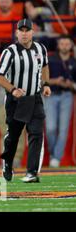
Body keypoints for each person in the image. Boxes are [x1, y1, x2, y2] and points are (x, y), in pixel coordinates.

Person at [0, 18, 51, 183]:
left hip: (35, 98)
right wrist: (13, 89)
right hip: (16, 101)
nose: (25, 34)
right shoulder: (10, 51)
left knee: (36, 133)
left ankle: (32, 172)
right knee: (13, 135)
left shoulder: (41, 48)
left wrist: (46, 84)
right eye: (22, 30)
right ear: (17, 33)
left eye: (28, 30)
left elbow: (45, 66)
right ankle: (7, 163)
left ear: (33, 32)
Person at [44, 35, 76, 168]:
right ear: (58, 45)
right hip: (51, 95)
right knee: (50, 128)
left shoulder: (74, 62)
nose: (64, 46)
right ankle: (53, 154)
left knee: (63, 129)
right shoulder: (50, 60)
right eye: (62, 44)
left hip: (67, 95)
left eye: (67, 44)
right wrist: (55, 81)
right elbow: (42, 80)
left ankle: (56, 158)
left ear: (71, 46)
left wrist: (70, 85)